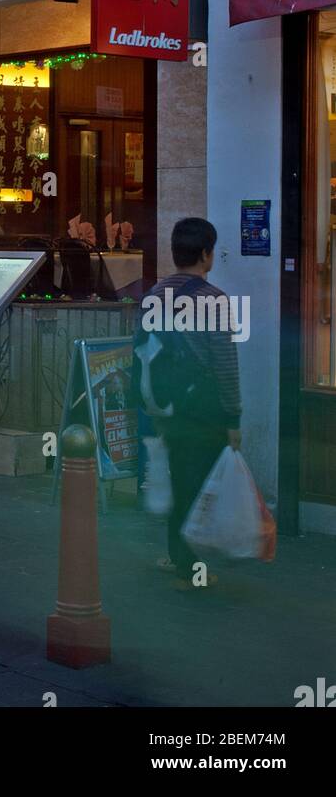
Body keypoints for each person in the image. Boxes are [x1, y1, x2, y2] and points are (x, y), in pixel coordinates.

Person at [135, 217, 242, 589]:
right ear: (206, 254)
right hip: (203, 410)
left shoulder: (153, 295)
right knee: (197, 489)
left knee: (180, 479)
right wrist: (234, 417)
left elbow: (143, 353)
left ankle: (175, 555)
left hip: (165, 406)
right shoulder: (213, 300)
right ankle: (190, 567)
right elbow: (226, 366)